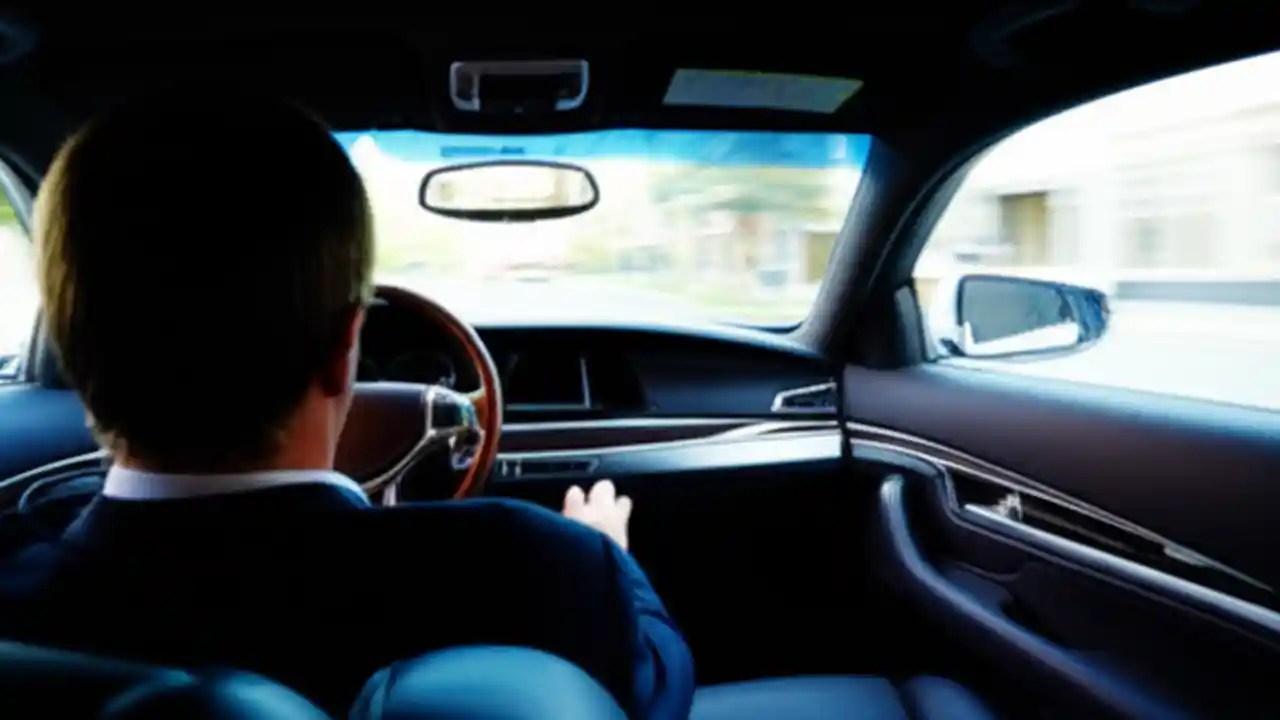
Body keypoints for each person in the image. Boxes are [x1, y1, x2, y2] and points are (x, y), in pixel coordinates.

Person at [0, 92, 694, 718]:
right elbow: (653, 693)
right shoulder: (545, 573)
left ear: (72, 343)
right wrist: (610, 558)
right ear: (344, 348)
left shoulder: (20, 600)